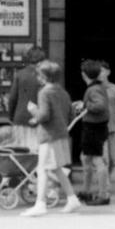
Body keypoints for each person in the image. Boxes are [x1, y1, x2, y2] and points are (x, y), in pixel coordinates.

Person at [24, 60, 81, 215]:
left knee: (42, 169)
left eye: (38, 74)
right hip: (62, 135)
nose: (37, 77)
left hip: (49, 136)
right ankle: (72, 199)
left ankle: (40, 204)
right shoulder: (63, 93)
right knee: (56, 169)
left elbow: (44, 115)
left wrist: (33, 111)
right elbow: (70, 114)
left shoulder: (44, 92)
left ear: (43, 76)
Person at [74, 60, 113, 205]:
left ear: (85, 75)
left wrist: (84, 105)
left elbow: (100, 106)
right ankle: (86, 191)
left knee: (96, 160)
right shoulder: (98, 87)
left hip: (93, 128)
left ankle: (103, 195)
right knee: (86, 159)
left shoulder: (93, 89)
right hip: (97, 127)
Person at [1, 44, 47, 150]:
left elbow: (12, 98)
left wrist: (11, 117)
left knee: (20, 153)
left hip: (20, 119)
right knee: (37, 153)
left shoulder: (20, 74)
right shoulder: (45, 76)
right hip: (38, 120)